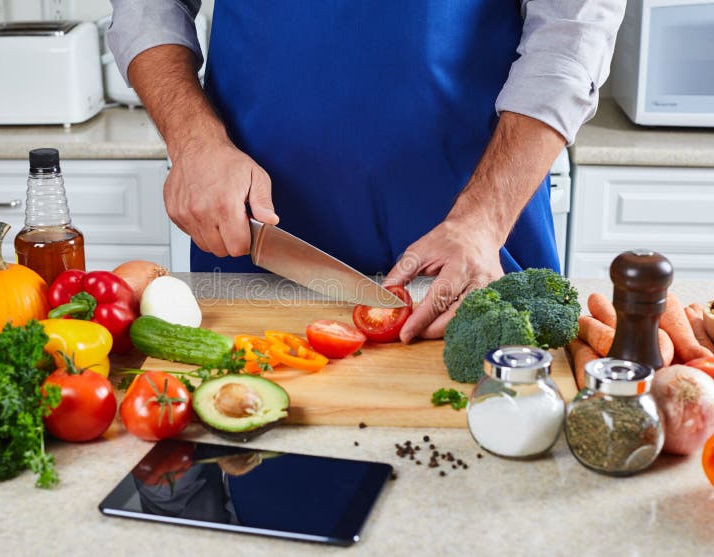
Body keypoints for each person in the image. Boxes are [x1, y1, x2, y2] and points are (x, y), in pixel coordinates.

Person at [108, 0, 625, 342]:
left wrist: (486, 218)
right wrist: (194, 141)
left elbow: (573, 27)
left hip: (477, 229)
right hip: (256, 223)